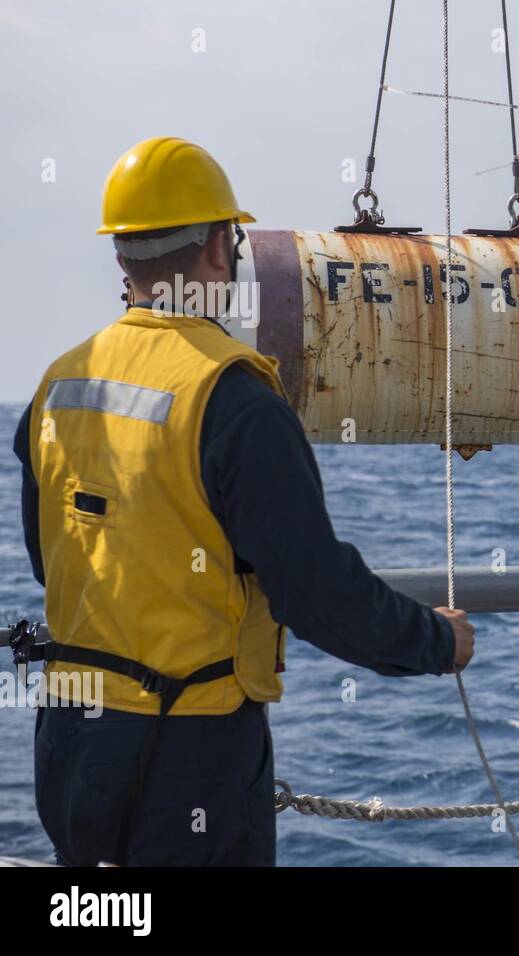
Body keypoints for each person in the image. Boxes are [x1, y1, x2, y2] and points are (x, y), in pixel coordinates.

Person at [11, 136, 474, 866]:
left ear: (121, 257)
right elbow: (315, 590)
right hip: (186, 749)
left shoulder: (57, 384)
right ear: (221, 249)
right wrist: (437, 642)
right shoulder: (233, 398)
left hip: (71, 740)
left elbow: (53, 560)